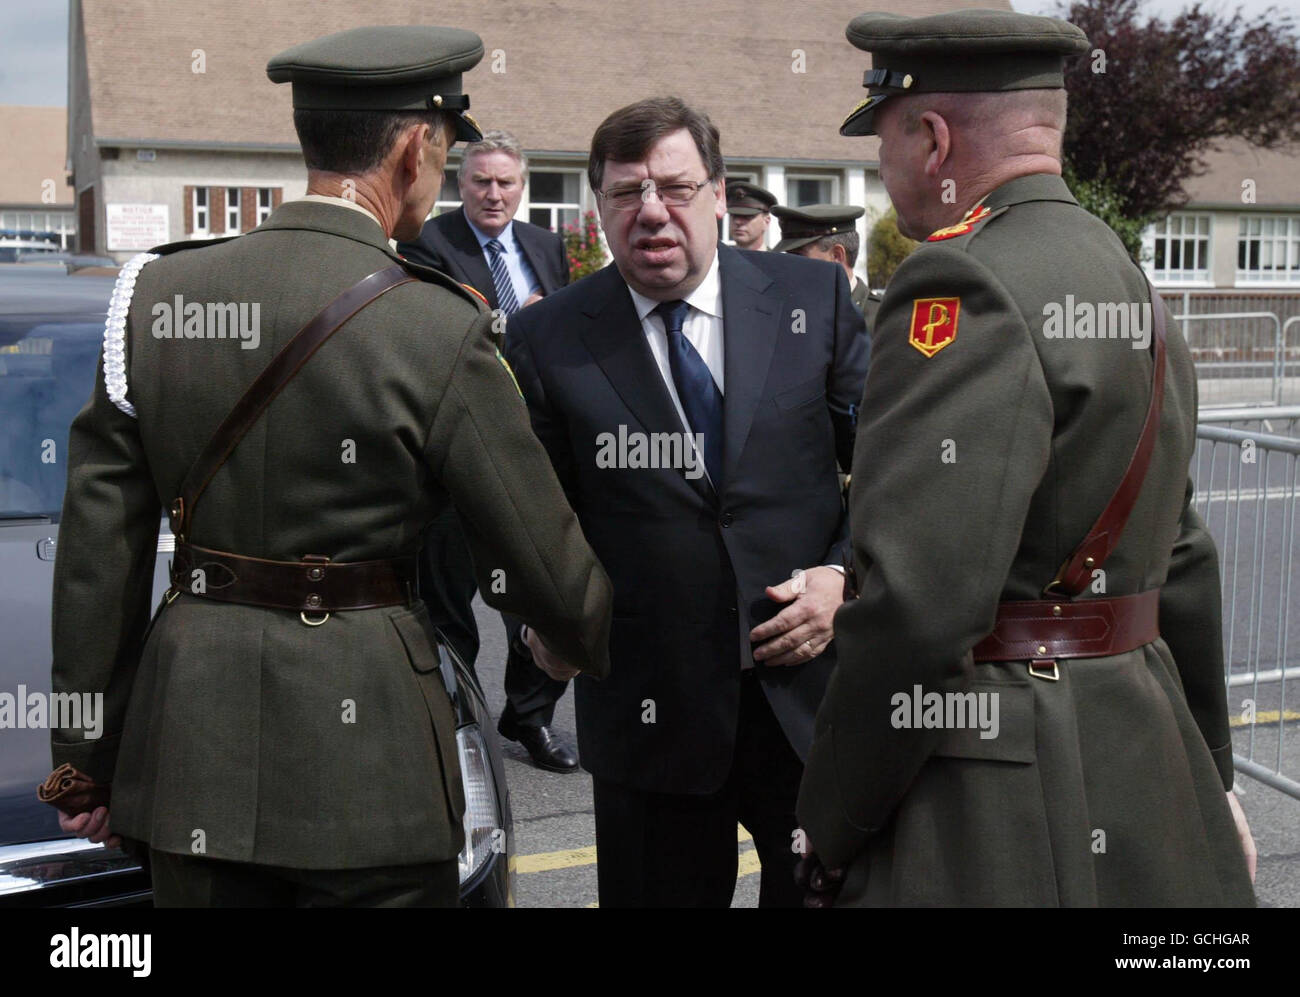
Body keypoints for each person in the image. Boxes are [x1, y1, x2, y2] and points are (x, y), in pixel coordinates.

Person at [44, 25, 611, 908]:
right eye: (448, 148)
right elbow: (535, 553)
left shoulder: (153, 295)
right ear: (417, 146)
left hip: (195, 756)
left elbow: (96, 563)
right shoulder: (437, 324)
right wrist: (572, 637)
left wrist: (82, 761)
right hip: (373, 772)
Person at [795, 8, 1256, 907]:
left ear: (932, 138)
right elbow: (1184, 555)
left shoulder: (958, 280)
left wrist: (835, 815)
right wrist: (1212, 771)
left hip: (994, 785)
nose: (883, 175)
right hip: (1143, 752)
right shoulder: (1125, 279)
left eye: (884, 140)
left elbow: (919, 611)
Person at [505, 96, 869, 907]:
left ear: (717, 193)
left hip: (805, 704)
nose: (652, 212)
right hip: (647, 714)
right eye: (626, 193)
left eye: (674, 187)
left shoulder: (814, 300)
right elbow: (527, 515)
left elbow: (887, 471)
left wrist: (842, 578)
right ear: (598, 206)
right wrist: (546, 621)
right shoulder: (548, 337)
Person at [398, 129, 578, 772]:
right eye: (481, 181)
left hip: (528, 451)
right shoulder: (427, 243)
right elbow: (441, 330)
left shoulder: (546, 246)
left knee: (533, 591)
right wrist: (524, 321)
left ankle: (529, 720)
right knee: (450, 603)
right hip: (450, 450)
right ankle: (457, 721)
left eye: (506, 182)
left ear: (521, 187)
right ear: (460, 185)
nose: (494, 193)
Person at [771, 203, 882, 327]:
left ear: (837, 256)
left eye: (799, 257)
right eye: (789, 256)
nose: (790, 266)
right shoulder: (789, 314)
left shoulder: (880, 318)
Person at [724, 179, 775, 250]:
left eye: (747, 217)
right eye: (734, 216)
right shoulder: (719, 260)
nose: (738, 222)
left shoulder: (777, 260)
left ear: (766, 222)